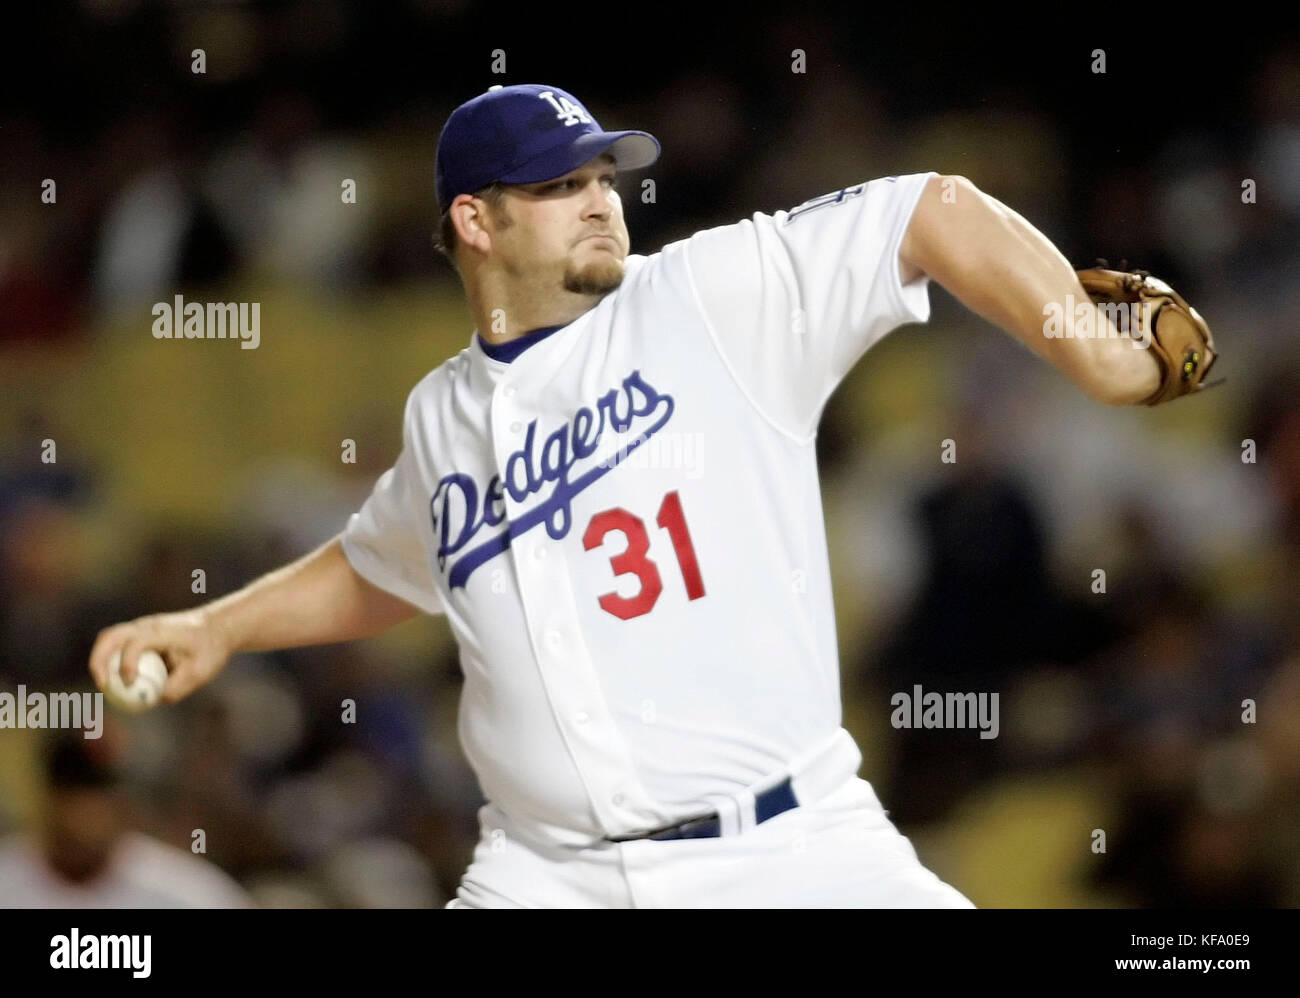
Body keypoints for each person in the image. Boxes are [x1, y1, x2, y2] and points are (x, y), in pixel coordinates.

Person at [91, 83, 1170, 908]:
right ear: (474, 219)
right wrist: (216, 625)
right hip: (544, 873)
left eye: (605, 178)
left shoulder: (707, 295)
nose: (601, 202)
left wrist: (1089, 343)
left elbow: (927, 209)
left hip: (788, 852)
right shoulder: (440, 413)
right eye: (562, 187)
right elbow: (381, 563)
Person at [0, 728, 252, 908]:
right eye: (74, 795)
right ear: (48, 796)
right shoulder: (6, 882)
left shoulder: (192, 894)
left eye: (102, 797)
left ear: (125, 804)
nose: (87, 815)